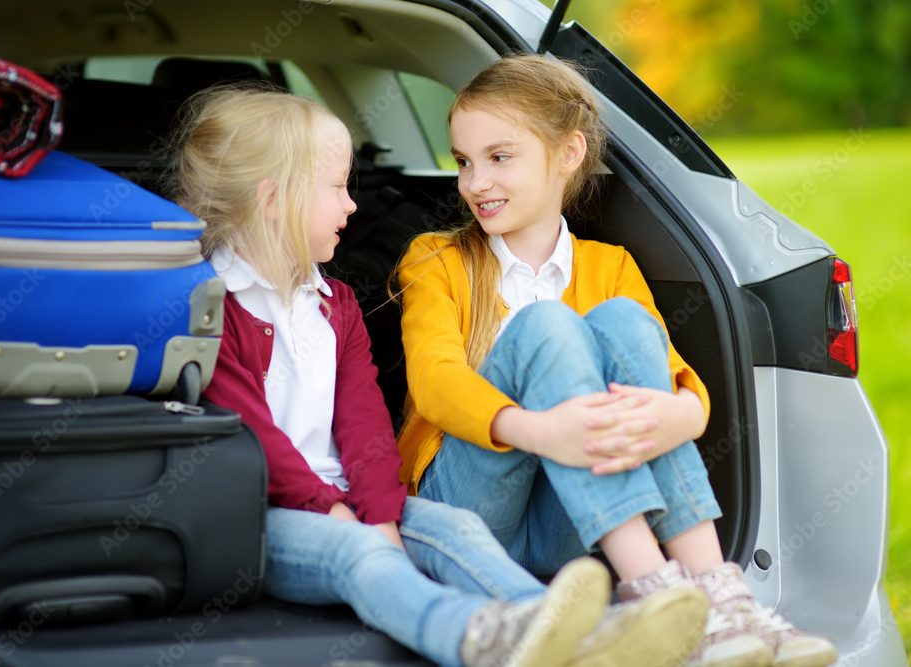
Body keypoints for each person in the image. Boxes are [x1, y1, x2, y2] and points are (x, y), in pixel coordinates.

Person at [165, 85, 710, 667]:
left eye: (499, 157)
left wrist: (378, 510)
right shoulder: (209, 307)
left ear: (567, 155)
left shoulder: (334, 302)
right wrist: (348, 517)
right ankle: (478, 637)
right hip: (269, 516)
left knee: (458, 535)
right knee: (365, 558)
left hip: (400, 502)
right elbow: (257, 438)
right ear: (275, 198)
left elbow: (364, 425)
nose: (354, 205)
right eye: (337, 188)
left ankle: (589, 627)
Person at [394, 55, 838, 667]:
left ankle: (720, 601)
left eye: (500, 157)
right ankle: (657, 589)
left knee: (627, 326)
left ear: (568, 154)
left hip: (570, 529)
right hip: (467, 515)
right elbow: (435, 382)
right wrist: (541, 430)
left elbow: (672, 368)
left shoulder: (612, 268)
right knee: (547, 324)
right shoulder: (435, 258)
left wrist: (684, 414)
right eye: (464, 162)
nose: (476, 183)